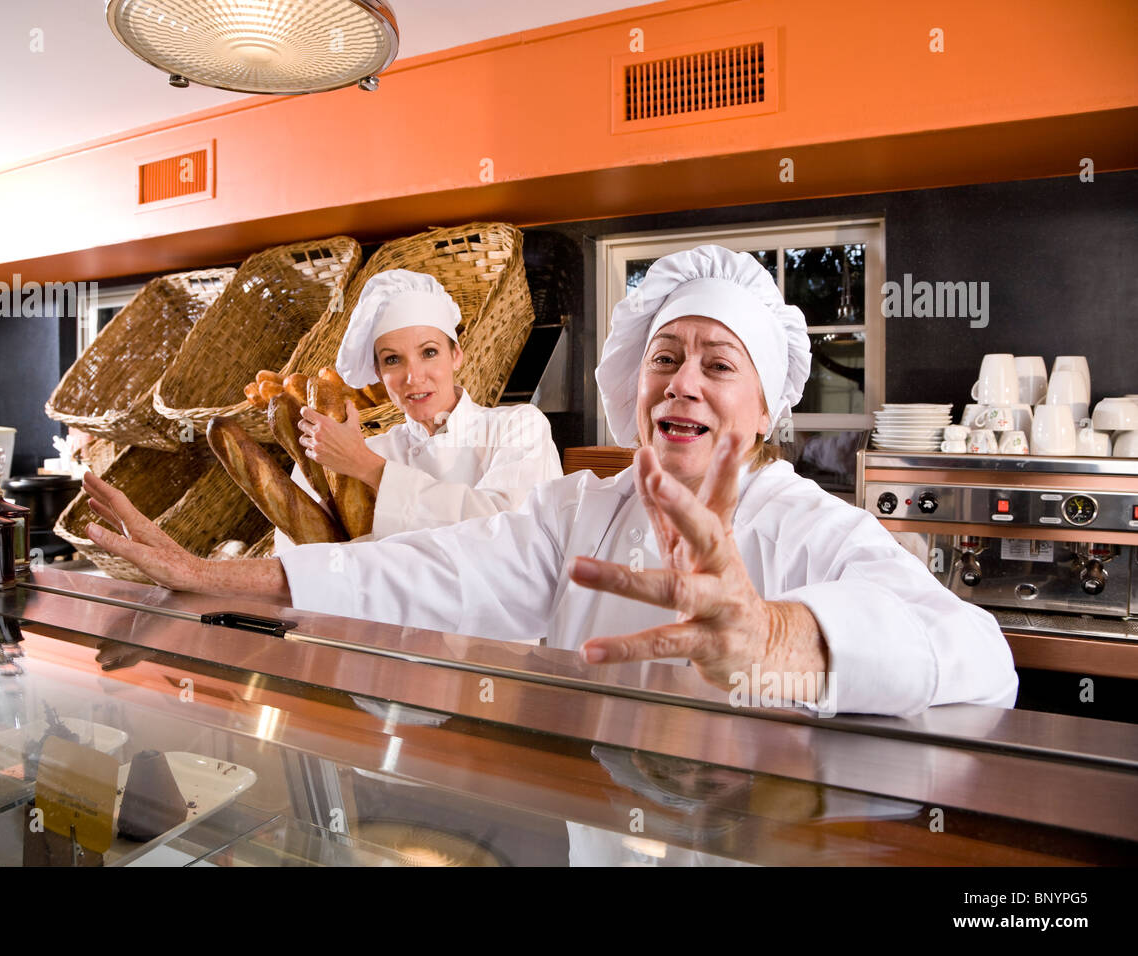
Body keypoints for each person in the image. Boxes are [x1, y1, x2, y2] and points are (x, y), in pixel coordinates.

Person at [85, 245, 1018, 718]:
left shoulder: (810, 526)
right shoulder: (582, 510)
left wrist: (779, 633)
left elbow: (982, 659)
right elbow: (423, 569)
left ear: (765, 407)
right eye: (666, 357)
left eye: (719, 365)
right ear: (636, 387)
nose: (683, 380)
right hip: (602, 826)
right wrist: (214, 578)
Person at [272, 268, 561, 549]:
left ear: (456, 355)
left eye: (429, 352)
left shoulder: (518, 426)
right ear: (378, 371)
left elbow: (508, 533)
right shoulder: (358, 452)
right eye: (393, 360)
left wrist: (368, 467)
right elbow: (302, 562)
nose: (414, 377)